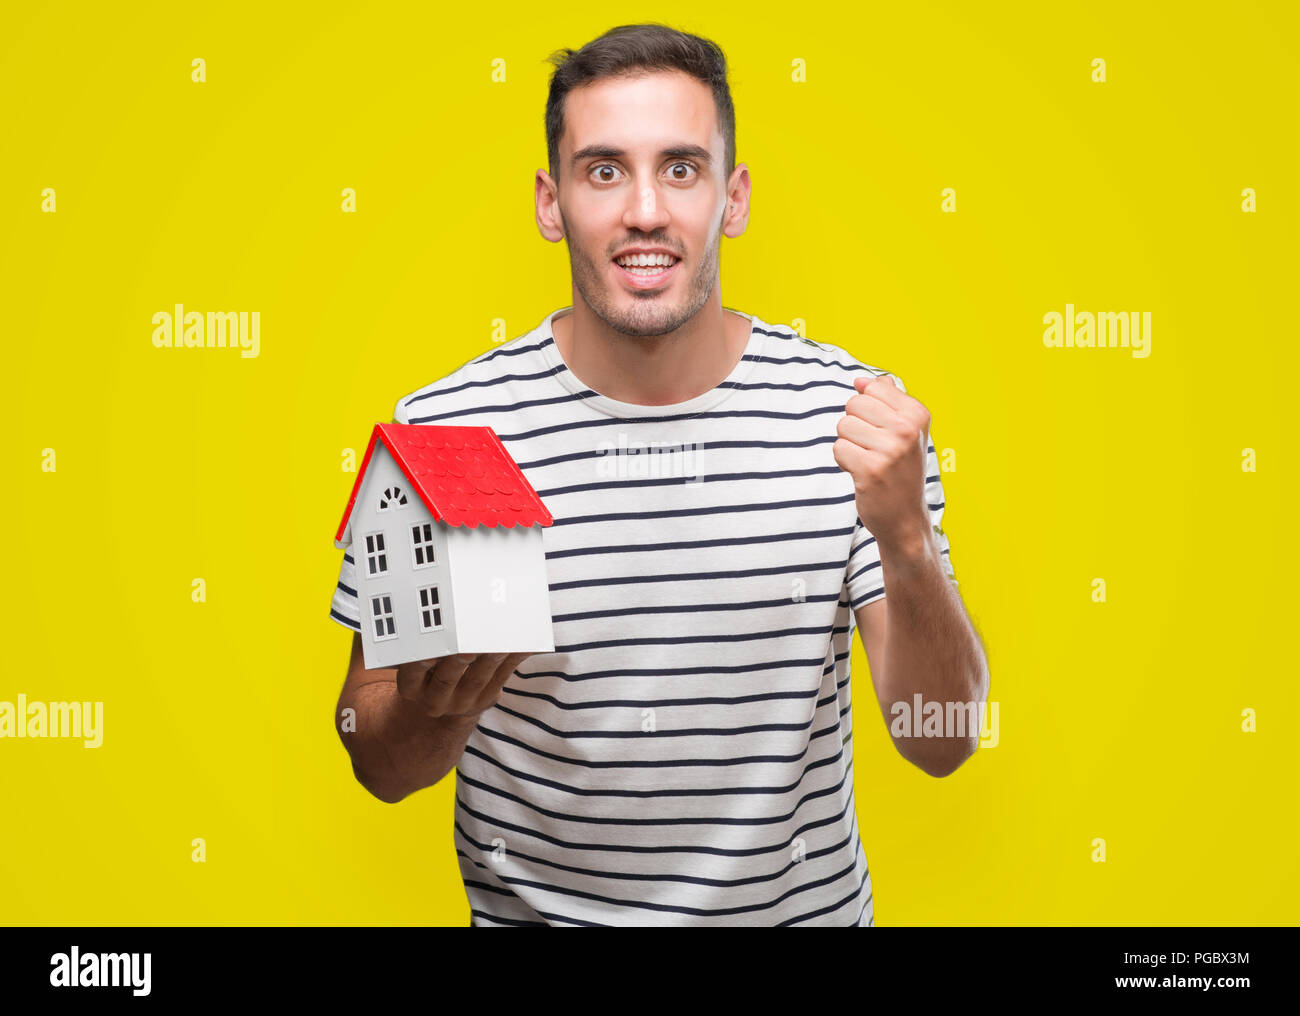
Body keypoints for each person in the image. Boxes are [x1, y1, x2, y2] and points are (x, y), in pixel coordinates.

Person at [328, 22, 989, 927]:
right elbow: (373, 757)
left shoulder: (852, 421)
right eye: (604, 170)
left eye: (681, 168)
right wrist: (431, 714)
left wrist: (908, 543)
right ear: (551, 202)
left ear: (734, 197)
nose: (645, 209)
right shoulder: (445, 432)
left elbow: (942, 743)